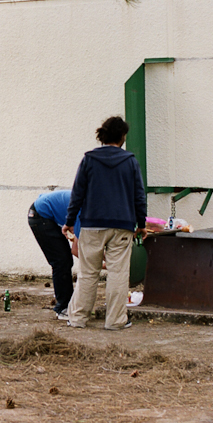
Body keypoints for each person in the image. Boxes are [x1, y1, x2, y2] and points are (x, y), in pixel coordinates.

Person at [64, 116, 147, 330]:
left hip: (92, 225)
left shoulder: (89, 159)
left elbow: (77, 193)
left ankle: (78, 318)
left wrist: (69, 221)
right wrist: (141, 223)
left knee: (88, 273)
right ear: (122, 136)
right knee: (118, 273)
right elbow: (139, 196)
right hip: (122, 225)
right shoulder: (130, 161)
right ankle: (115, 321)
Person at [28, 189, 79, 320]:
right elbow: (76, 250)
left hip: (48, 212)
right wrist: (104, 264)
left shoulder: (90, 208)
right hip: (41, 215)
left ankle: (68, 304)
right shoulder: (84, 213)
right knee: (61, 261)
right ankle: (63, 308)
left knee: (65, 261)